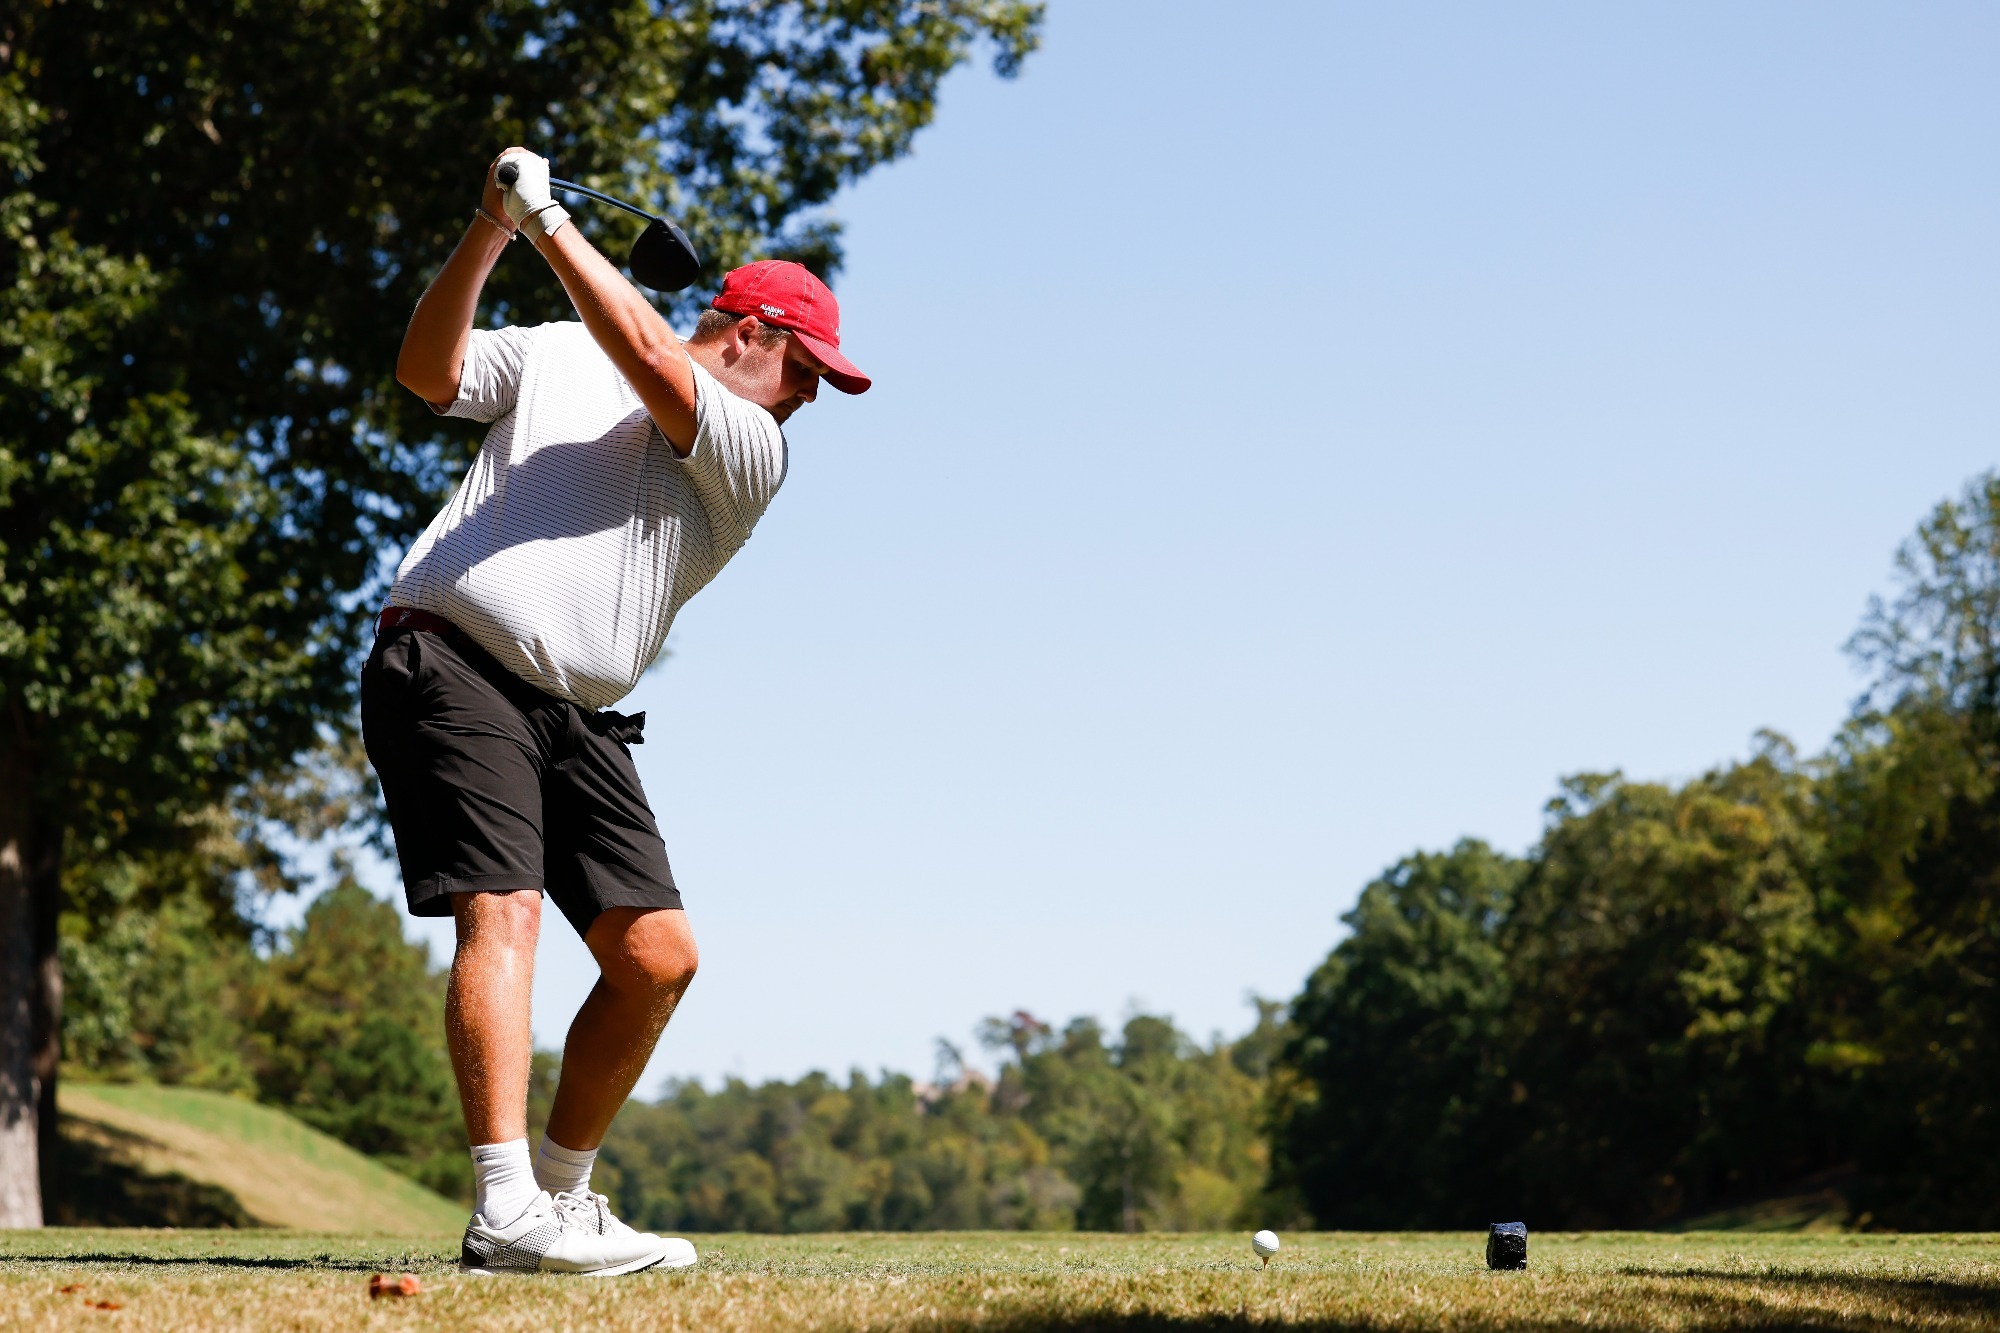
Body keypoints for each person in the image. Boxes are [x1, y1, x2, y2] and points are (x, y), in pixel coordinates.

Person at [362, 147, 870, 1275]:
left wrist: (543, 221)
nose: (808, 399)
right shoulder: (558, 355)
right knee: (505, 913)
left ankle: (560, 1195)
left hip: (575, 710)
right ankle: (505, 1208)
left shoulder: (752, 449)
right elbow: (426, 372)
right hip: (450, 657)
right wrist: (489, 231)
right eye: (805, 370)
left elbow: (642, 346)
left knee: (657, 957)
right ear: (747, 330)